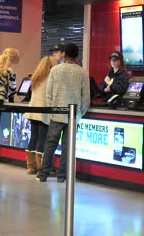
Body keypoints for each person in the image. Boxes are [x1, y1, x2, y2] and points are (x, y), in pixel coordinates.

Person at [37, 42, 91, 183]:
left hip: (56, 113)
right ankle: (62, 176)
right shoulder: (82, 72)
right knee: (68, 147)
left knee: (50, 144)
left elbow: (48, 93)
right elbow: (86, 96)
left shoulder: (55, 70)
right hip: (73, 115)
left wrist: (52, 109)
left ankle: (43, 174)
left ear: (65, 54)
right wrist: (81, 112)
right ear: (77, 55)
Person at [24, 56, 58, 175]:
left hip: (33, 111)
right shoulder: (51, 78)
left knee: (33, 138)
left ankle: (31, 167)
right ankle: (41, 167)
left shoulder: (36, 77)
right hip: (44, 112)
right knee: (43, 140)